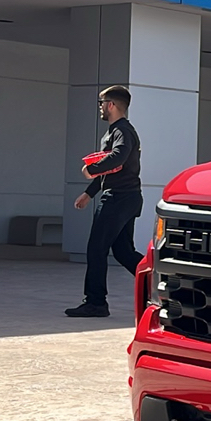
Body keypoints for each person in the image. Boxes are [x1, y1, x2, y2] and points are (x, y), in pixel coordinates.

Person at [66, 85, 143, 318]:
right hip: (127, 197)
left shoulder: (122, 131)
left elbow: (118, 156)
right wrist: (89, 193)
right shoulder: (117, 131)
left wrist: (92, 169)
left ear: (111, 104)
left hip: (119, 199)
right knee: (124, 252)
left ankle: (96, 302)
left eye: (101, 103)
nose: (100, 107)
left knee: (96, 248)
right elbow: (113, 169)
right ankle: (161, 286)